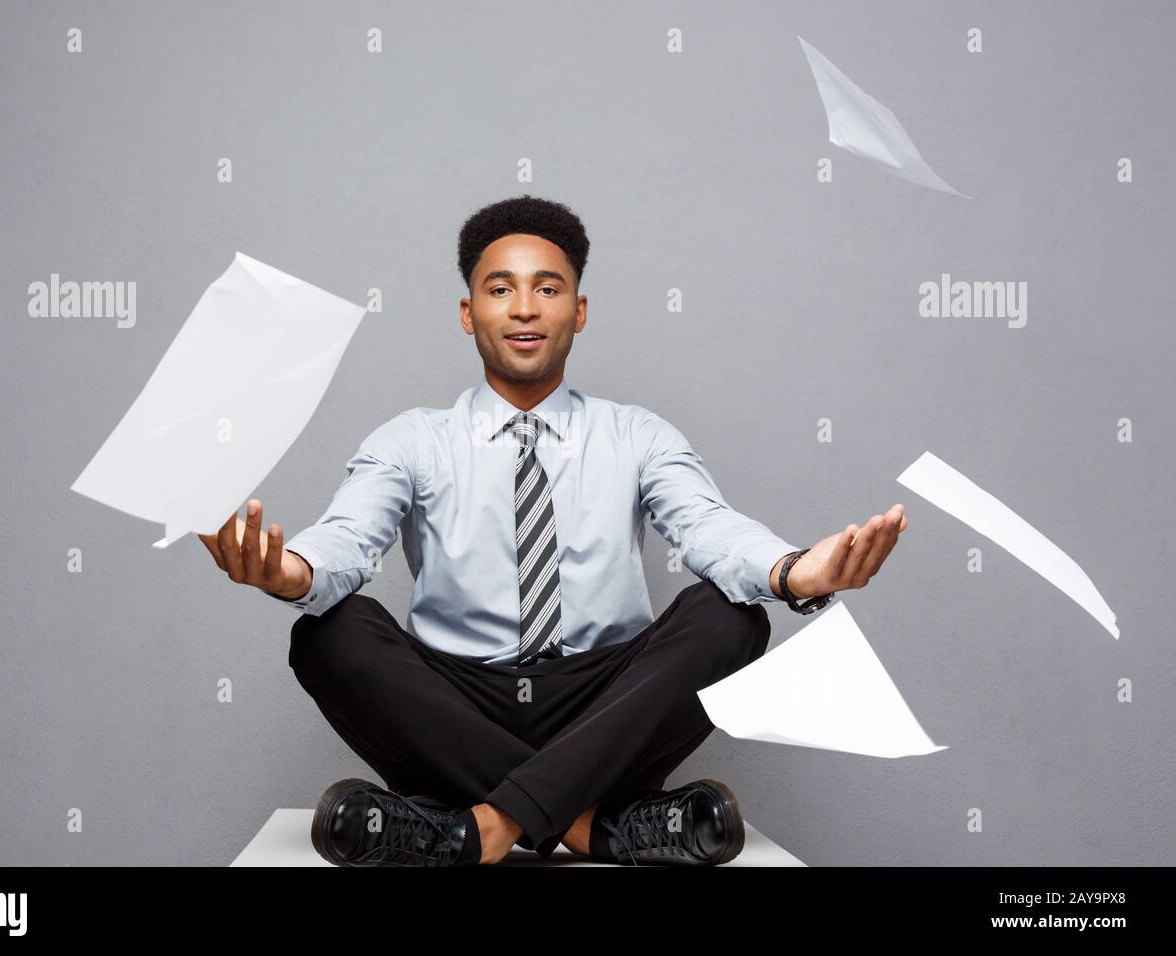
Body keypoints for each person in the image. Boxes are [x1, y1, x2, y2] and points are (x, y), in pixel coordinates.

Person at [198, 195, 908, 866]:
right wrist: (289, 573)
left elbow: (707, 528)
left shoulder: (637, 435)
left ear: (580, 308)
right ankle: (590, 825)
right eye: (500, 289)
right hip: (456, 699)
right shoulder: (413, 440)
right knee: (330, 629)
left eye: (548, 287)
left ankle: (477, 829)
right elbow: (346, 538)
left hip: (605, 704)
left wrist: (792, 572)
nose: (525, 309)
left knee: (732, 618)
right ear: (467, 312)